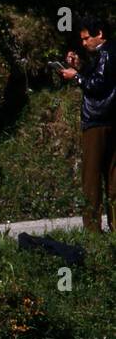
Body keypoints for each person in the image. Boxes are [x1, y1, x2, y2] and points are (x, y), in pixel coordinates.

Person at [60, 16, 116, 232]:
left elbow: (98, 85)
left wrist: (76, 77)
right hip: (111, 120)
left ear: (99, 34)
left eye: (86, 38)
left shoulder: (106, 54)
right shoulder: (109, 52)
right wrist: (81, 67)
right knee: (112, 176)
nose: (83, 43)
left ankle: (92, 229)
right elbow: (100, 76)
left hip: (97, 121)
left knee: (91, 177)